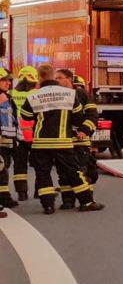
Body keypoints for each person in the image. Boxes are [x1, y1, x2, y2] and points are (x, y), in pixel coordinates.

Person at [21, 64, 103, 214]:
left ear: (39, 77)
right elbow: (78, 118)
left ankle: (48, 206)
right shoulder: (70, 95)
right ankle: (86, 201)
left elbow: (25, 116)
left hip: (40, 143)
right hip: (63, 142)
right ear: (53, 76)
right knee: (73, 171)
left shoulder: (33, 96)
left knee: (43, 174)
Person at [54, 71, 98, 208]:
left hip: (79, 141)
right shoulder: (56, 95)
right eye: (55, 78)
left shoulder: (81, 94)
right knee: (63, 173)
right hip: (63, 141)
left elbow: (92, 115)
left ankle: (87, 200)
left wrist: (84, 130)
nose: (56, 81)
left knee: (82, 171)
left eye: (59, 78)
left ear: (69, 79)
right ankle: (68, 201)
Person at [10, 66, 39, 202]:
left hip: (17, 136)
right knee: (40, 164)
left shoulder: (11, 94)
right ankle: (40, 191)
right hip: (35, 135)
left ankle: (22, 193)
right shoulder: (37, 94)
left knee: (19, 164)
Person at [0, 68, 19, 212]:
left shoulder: (6, 97)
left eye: (9, 80)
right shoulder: (2, 98)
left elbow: (11, 120)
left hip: (6, 140)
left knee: (3, 168)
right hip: (2, 140)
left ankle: (4, 196)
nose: (8, 83)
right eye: (4, 80)